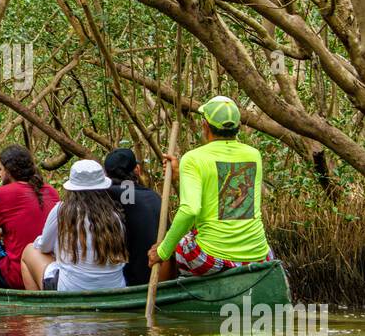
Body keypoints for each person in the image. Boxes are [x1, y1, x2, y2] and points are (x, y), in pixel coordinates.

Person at [148, 96, 272, 277]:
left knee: (168, 245)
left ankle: (164, 302)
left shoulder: (193, 158)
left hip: (213, 259)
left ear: (205, 126)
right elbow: (225, 197)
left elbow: (190, 210)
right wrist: (180, 175)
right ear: (238, 127)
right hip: (259, 257)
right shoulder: (254, 155)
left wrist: (162, 252)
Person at [21, 159, 128, 292]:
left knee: (29, 250)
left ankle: (38, 309)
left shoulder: (61, 210)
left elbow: (44, 246)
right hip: (115, 288)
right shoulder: (114, 215)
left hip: (70, 290)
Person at [0, 145, 59, 289]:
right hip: (44, 271)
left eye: (0, 169)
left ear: (9, 171)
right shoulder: (51, 191)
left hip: (18, 275)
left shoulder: (2, 193)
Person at [104, 147, 163, 287]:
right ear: (137, 169)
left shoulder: (103, 196)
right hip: (154, 276)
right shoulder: (153, 197)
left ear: (105, 173)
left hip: (124, 281)